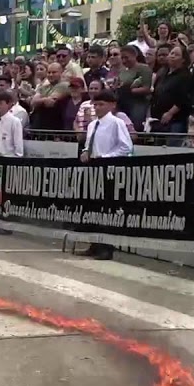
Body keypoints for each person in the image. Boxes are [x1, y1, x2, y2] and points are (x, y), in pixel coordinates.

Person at [78, 91, 134, 260]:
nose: (97, 107)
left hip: (109, 169)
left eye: (101, 104)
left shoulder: (117, 123)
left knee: (107, 209)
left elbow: (126, 147)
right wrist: (86, 151)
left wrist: (107, 157)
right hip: (93, 169)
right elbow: (89, 144)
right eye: (95, 104)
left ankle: (106, 247)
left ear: (111, 105)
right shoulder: (92, 125)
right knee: (92, 208)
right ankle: (94, 244)